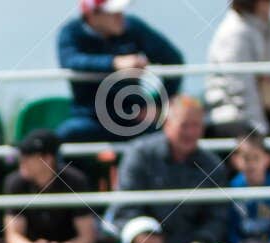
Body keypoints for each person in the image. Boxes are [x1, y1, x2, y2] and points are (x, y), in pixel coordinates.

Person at [107, 97, 235, 243]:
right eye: (184, 125)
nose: (190, 132)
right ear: (167, 124)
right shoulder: (140, 154)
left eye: (196, 125)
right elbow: (126, 208)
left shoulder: (213, 164)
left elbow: (218, 216)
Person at [55, 0, 184, 145]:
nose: (120, 16)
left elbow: (173, 60)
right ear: (92, 15)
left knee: (170, 135)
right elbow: (71, 60)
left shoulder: (133, 26)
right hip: (90, 117)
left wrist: (158, 105)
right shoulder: (71, 32)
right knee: (65, 137)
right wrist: (114, 63)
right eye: (113, 12)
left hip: (133, 114)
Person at [0, 129, 98, 243]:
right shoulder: (14, 183)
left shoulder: (76, 181)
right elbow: (12, 236)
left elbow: (87, 237)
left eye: (28, 155)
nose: (22, 160)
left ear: (47, 159)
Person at [205, 0, 270, 142]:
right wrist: (261, 130)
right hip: (232, 116)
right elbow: (242, 89)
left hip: (263, 112)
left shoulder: (267, 26)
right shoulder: (234, 32)